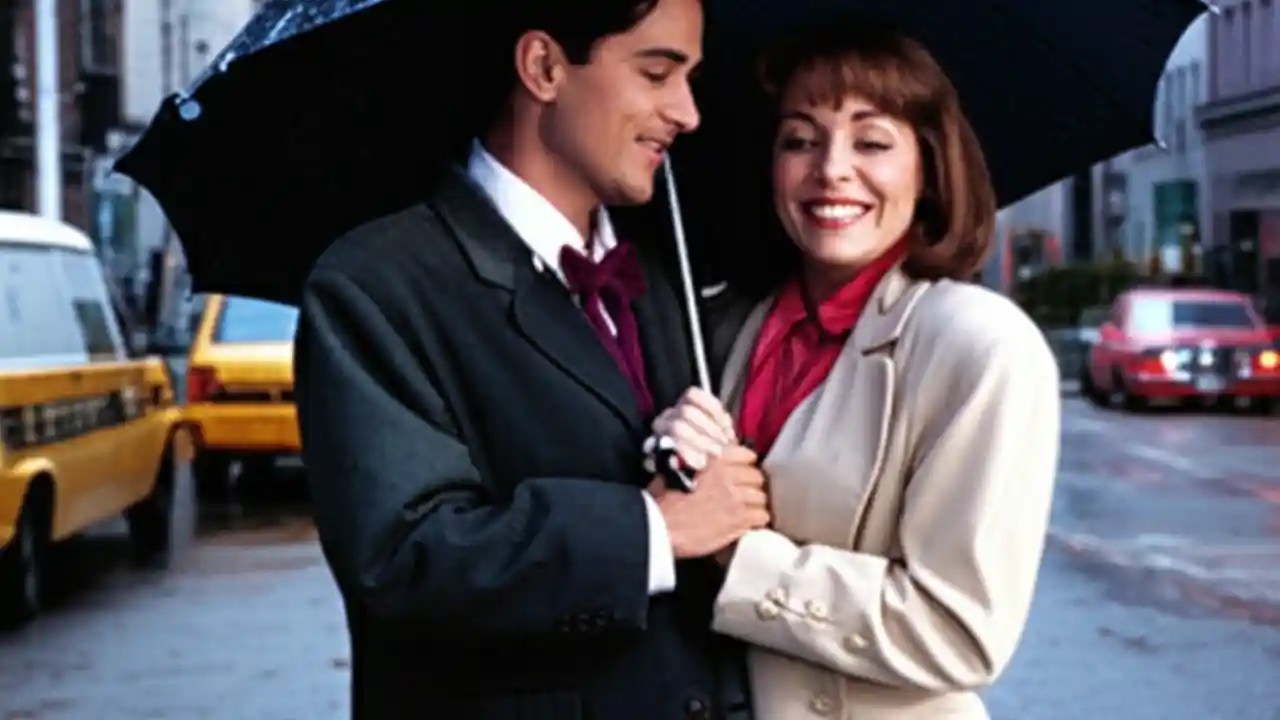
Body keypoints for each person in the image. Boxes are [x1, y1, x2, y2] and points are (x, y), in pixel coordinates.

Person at [292, 1, 768, 718]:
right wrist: (653, 532)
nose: (687, 111)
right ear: (544, 67)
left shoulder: (661, 276)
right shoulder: (378, 283)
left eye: (690, 78)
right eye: (658, 73)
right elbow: (402, 559)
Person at [651, 22, 1061, 720]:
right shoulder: (718, 330)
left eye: (872, 141)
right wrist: (675, 463)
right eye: (800, 140)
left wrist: (738, 553)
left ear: (928, 168)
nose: (831, 169)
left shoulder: (978, 347)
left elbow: (960, 633)